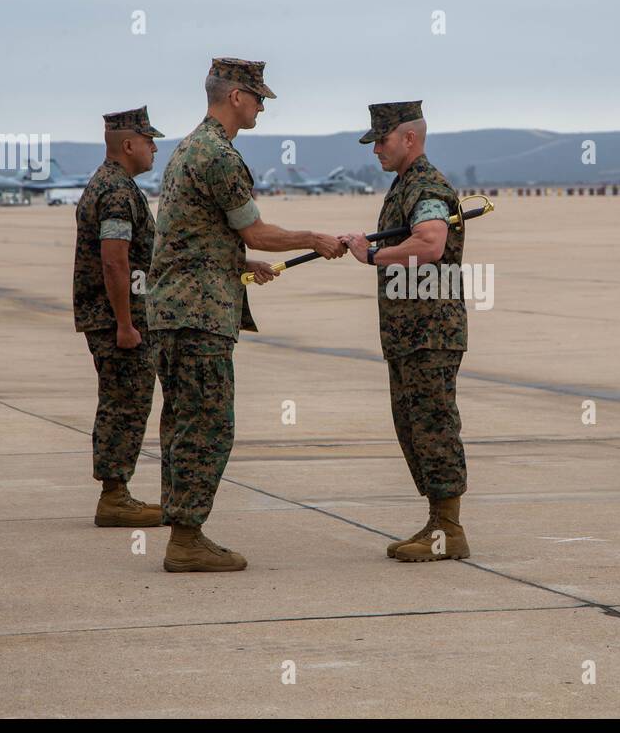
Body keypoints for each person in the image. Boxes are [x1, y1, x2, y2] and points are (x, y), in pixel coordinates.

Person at [148, 57, 346, 572]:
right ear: (235, 95)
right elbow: (255, 229)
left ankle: (182, 530)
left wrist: (241, 262)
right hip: (199, 318)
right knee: (208, 425)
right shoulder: (219, 156)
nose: (262, 106)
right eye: (258, 97)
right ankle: (187, 539)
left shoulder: (188, 149)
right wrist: (314, 238)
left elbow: (197, 234)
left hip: (173, 312)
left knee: (181, 423)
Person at [340, 101, 470, 562]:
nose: (376, 149)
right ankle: (439, 522)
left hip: (429, 333)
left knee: (433, 426)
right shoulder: (405, 186)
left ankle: (449, 530)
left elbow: (431, 243)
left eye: (382, 139)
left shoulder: (426, 186)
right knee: (414, 426)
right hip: (409, 334)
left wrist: (372, 256)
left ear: (409, 139)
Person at [72, 105, 164, 528]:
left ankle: (117, 491)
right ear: (128, 145)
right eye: (149, 141)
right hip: (116, 322)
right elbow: (115, 262)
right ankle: (114, 496)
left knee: (125, 402)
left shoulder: (115, 185)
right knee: (124, 404)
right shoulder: (116, 191)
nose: (154, 149)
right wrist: (125, 324)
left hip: (113, 317)